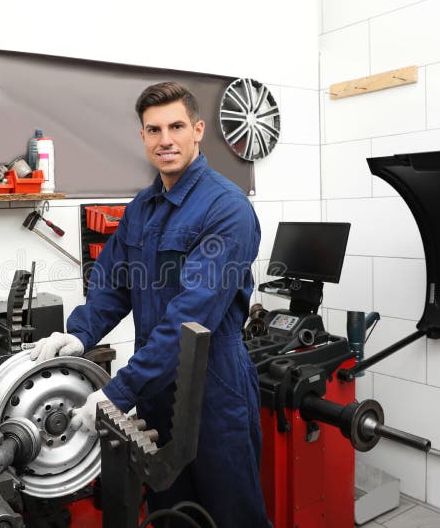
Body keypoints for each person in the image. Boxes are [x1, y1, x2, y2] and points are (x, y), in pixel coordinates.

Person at [30, 81, 269, 526]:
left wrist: (117, 393)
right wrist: (78, 334)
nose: (165, 139)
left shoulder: (227, 209)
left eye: (176, 126)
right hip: (158, 392)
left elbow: (190, 319)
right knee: (171, 515)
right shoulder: (142, 206)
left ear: (198, 131)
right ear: (142, 137)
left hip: (215, 390)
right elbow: (114, 283)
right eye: (153, 129)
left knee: (233, 515)